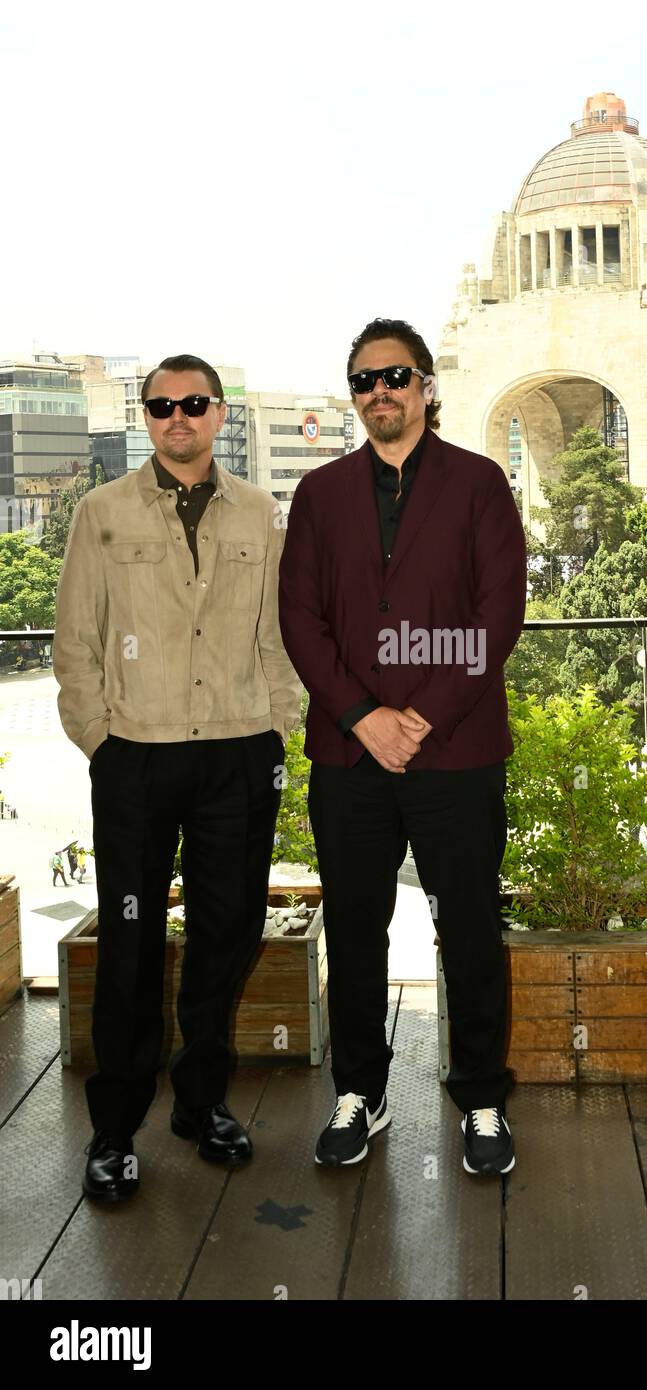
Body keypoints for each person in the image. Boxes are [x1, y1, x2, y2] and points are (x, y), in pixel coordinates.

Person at [279, 318, 527, 1177]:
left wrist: (416, 718)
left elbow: (498, 618)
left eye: (394, 376)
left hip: (454, 754)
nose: (378, 392)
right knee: (354, 931)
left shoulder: (480, 483)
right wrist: (361, 717)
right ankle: (361, 1093)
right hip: (348, 759)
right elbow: (300, 622)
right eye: (362, 381)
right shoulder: (318, 495)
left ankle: (484, 1098)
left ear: (424, 384)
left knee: (467, 928)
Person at [53, 353, 302, 1203]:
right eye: (159, 406)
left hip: (237, 754)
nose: (176, 417)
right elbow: (76, 641)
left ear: (218, 413)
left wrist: (280, 729)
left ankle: (202, 1105)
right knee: (128, 947)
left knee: (224, 937)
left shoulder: (264, 514)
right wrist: (100, 740)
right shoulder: (102, 513)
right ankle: (115, 1129)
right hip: (136, 757)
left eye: (192, 403)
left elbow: (279, 639)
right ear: (146, 416)